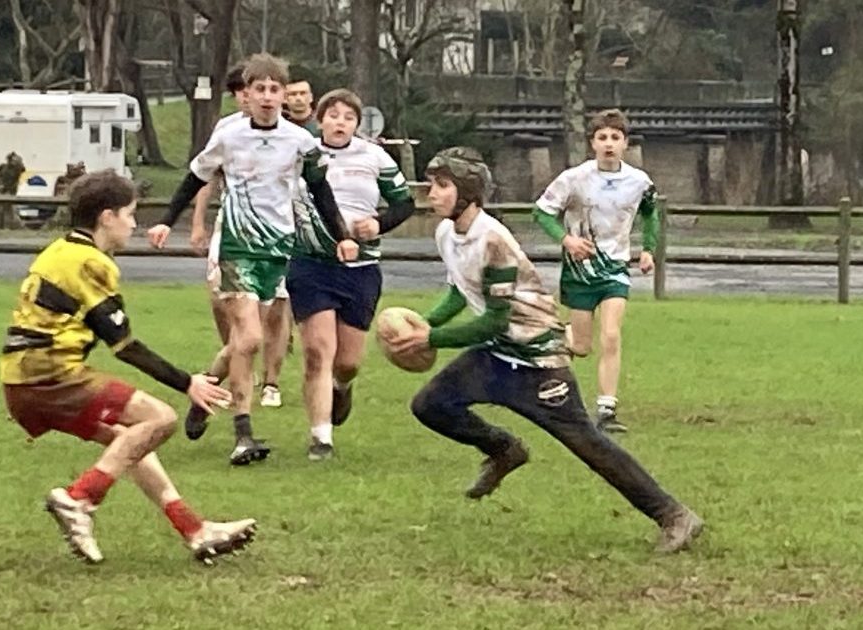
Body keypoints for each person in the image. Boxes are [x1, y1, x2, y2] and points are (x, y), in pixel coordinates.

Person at [388, 147, 702, 554]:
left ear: (468, 193)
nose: (431, 193)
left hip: (537, 360)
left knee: (587, 442)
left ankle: (674, 515)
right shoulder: (446, 234)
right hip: (497, 354)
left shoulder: (493, 239)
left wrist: (430, 339)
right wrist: (427, 324)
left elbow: (495, 320)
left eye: (442, 185)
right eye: (432, 184)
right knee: (430, 405)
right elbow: (459, 292)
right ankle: (504, 450)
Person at [0, 170, 257, 565]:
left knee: (130, 441)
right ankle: (80, 498)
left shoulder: (59, 250)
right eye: (130, 214)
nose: (134, 224)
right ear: (107, 217)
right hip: (49, 374)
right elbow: (124, 345)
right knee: (160, 419)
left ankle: (195, 530)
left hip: (21, 380)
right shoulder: (90, 262)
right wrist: (187, 383)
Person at [148, 54, 359, 465]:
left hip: (277, 249)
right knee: (249, 338)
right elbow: (195, 177)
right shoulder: (229, 136)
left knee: (246, 340)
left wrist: (343, 236)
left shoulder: (299, 141)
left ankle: (205, 387)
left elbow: (321, 190)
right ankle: (243, 433)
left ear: (284, 95)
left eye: (274, 89)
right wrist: (166, 221)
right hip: (237, 247)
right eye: (259, 89)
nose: (266, 97)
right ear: (247, 93)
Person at [288, 88, 415, 460]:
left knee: (347, 362)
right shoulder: (303, 154)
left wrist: (379, 223)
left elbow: (405, 203)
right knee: (317, 352)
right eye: (333, 115)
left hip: (360, 268)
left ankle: (342, 386)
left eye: (348, 117)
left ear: (357, 124)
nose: (340, 122)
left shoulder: (374, 156)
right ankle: (321, 438)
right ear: (320, 119)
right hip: (311, 264)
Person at [532, 109, 660, 434]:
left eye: (615, 137)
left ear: (625, 143)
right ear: (592, 143)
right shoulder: (574, 178)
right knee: (581, 346)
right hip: (579, 270)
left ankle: (606, 410)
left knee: (612, 334)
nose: (609, 144)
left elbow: (650, 212)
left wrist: (648, 249)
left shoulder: (639, 181)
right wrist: (568, 240)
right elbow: (542, 212)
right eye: (602, 137)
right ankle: (557, 337)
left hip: (615, 268)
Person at [190, 62, 291, 410]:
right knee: (226, 306)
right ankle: (235, 367)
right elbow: (204, 175)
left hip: (277, 236)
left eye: (271, 89)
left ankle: (271, 382)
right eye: (246, 91)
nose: (253, 97)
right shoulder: (227, 131)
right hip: (234, 232)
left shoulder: (293, 136)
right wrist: (198, 222)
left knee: (275, 309)